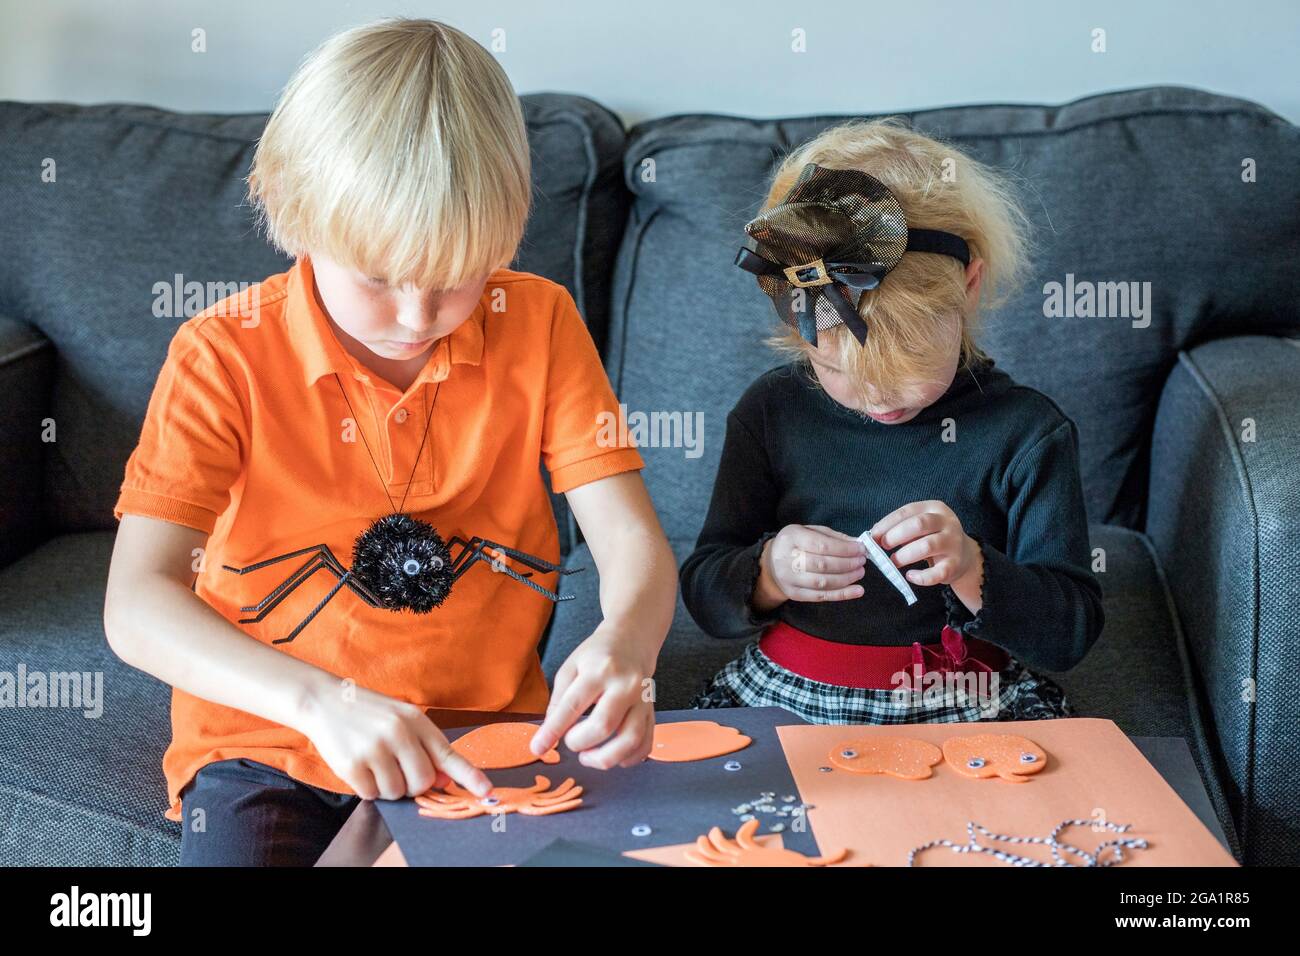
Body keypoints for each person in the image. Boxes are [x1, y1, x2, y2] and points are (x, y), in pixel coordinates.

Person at [104, 18, 676, 865]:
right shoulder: (221, 353)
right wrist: (320, 703)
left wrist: (626, 646)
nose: (418, 317)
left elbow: (630, 538)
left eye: (456, 278)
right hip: (268, 741)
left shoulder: (542, 323)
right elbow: (137, 604)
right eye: (377, 278)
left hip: (482, 741)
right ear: (296, 217)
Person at [680, 118, 1103, 725]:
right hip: (789, 696)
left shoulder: (1026, 432)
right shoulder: (771, 414)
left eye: (905, 370)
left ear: (968, 288)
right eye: (835, 369)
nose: (878, 399)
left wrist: (972, 566)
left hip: (965, 704)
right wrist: (768, 572)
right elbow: (703, 591)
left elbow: (1070, 633)